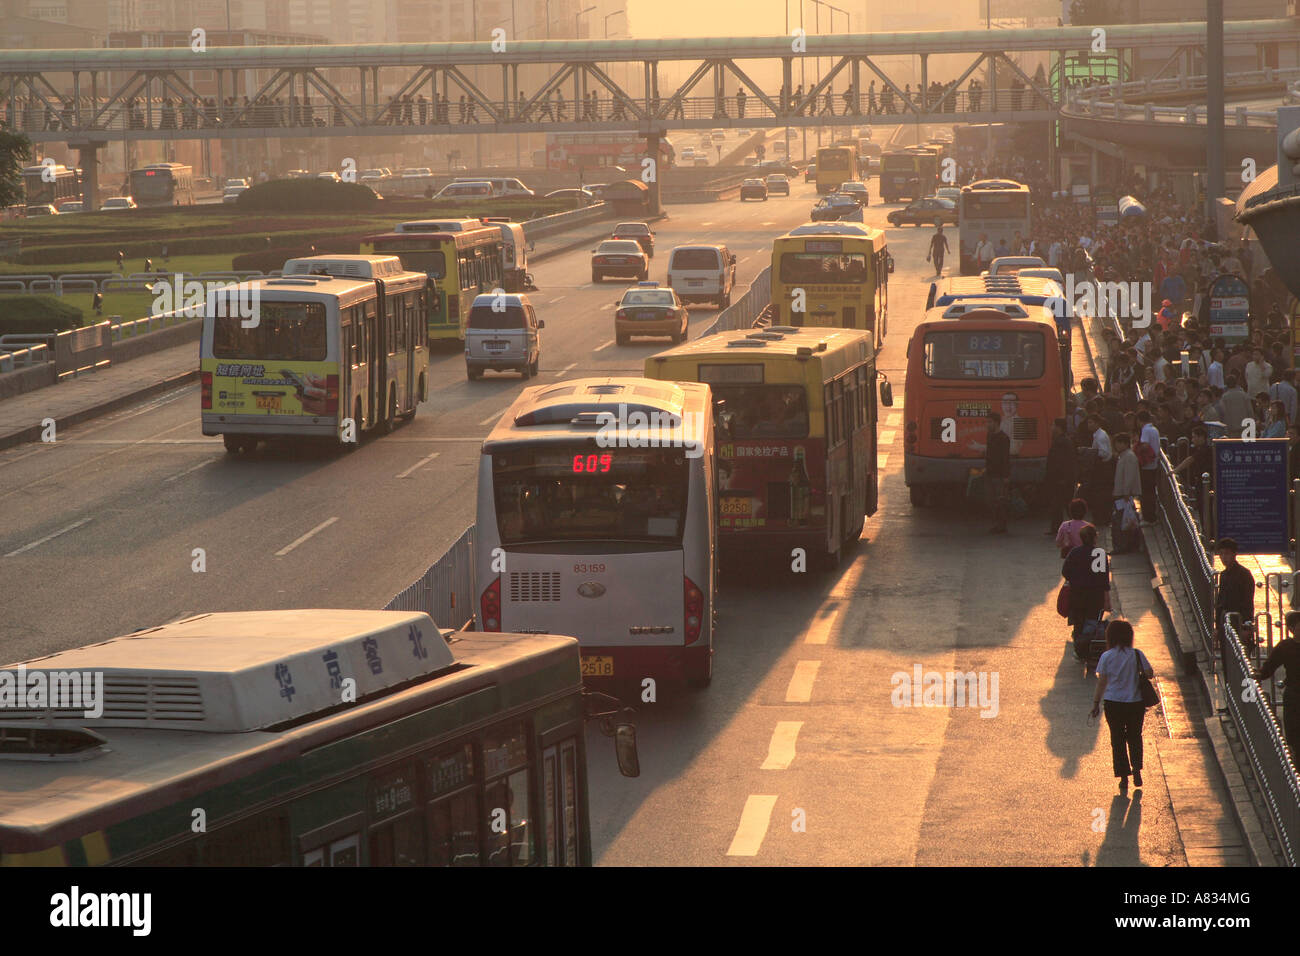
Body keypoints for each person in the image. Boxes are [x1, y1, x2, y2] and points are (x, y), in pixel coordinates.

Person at [1090, 618, 1155, 792]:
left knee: (1117, 739)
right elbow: (1149, 673)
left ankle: (1124, 776)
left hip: (1113, 704)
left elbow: (1101, 682)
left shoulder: (1106, 656)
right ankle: (1136, 769)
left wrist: (1096, 703)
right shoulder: (1137, 654)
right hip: (1135, 703)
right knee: (1135, 736)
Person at [1254, 610, 1300, 760]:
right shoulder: (1285, 647)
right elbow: (1269, 667)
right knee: (1294, 736)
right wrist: (1258, 675)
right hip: (1294, 696)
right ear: (1292, 629)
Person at [1063, 523, 1112, 653]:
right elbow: (1104, 579)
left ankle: (1079, 649)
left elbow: (1065, 571)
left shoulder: (1075, 552)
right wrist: (1107, 599)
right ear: (1095, 538)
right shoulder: (1099, 554)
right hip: (1095, 597)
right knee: (1092, 624)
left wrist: (1075, 579)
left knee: (1078, 623)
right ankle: (1089, 650)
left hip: (1077, 595)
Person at [1214, 538, 1256, 656]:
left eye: (1226, 553)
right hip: (1225, 621)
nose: (1223, 557)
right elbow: (1220, 601)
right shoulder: (1223, 575)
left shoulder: (1244, 574)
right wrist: (1217, 626)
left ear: (1234, 554)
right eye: (1221, 554)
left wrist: (1246, 626)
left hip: (1239, 620)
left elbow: (1248, 602)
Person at [1044, 418, 1078, 535]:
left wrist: (1062, 479)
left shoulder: (1062, 442)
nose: (1051, 428)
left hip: (1061, 480)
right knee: (1059, 505)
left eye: (1053, 425)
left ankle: (1074, 527)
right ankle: (1058, 528)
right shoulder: (1062, 441)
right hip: (1061, 480)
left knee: (1062, 505)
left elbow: (1063, 463)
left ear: (1058, 427)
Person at [985, 411, 1011, 534]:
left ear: (996, 423)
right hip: (990, 473)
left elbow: (1005, 458)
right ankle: (997, 524)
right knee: (992, 501)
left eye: (989, 422)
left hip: (1000, 475)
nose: (987, 424)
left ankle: (1002, 525)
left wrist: (1006, 476)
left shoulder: (1003, 438)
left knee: (1000, 501)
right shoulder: (990, 436)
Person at [1135, 410, 1160, 523]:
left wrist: (1135, 449)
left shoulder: (1145, 430)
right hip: (1154, 464)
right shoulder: (1154, 429)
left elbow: (1145, 445)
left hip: (1146, 465)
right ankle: (1152, 516)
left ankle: (1148, 516)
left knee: (1145, 492)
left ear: (1140, 421)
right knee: (1151, 491)